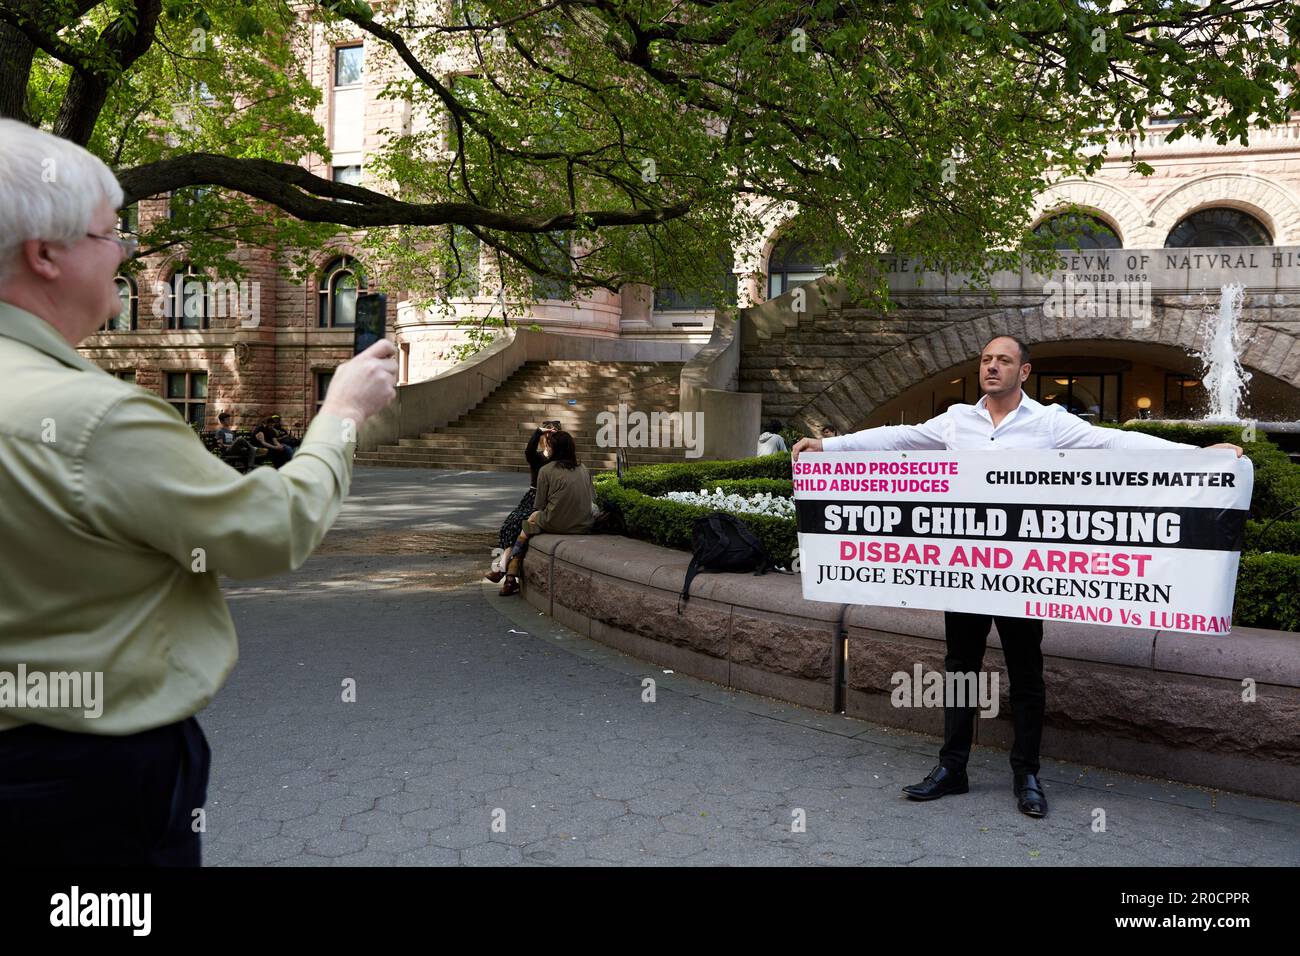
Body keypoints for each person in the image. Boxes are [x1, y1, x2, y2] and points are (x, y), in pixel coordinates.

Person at [0, 117, 398, 866]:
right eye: (107, 235)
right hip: (83, 780)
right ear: (44, 254)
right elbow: (269, 530)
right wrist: (342, 412)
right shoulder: (97, 418)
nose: (124, 253)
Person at [792, 334, 1243, 819]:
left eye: (1003, 360)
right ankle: (952, 768)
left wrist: (1196, 456)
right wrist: (828, 445)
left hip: (1023, 574)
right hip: (964, 570)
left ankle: (1026, 773)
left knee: (1026, 674)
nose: (992, 367)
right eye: (986, 359)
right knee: (959, 668)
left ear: (1023, 372)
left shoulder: (1051, 423)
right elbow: (898, 438)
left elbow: (1116, 442)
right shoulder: (956, 420)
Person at [498, 430, 596, 596]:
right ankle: (508, 571)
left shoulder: (546, 470)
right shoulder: (584, 469)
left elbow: (539, 505)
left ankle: (510, 569)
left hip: (556, 523)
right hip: (583, 524)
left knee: (531, 519)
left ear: (554, 448)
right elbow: (592, 498)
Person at [486, 422, 556, 583]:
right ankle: (507, 573)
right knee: (509, 524)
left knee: (518, 524)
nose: (549, 438)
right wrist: (538, 431)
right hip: (531, 497)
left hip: (546, 500)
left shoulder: (559, 459)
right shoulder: (537, 456)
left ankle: (503, 570)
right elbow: (528, 450)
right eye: (547, 435)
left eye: (552, 436)